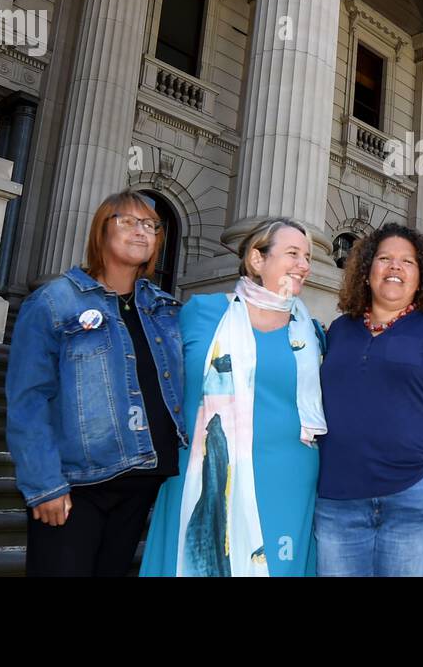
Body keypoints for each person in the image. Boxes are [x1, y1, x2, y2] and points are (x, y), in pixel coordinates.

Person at [6, 190, 186, 577]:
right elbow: (29, 398)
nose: (142, 232)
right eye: (128, 221)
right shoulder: (55, 301)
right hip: (78, 484)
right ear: (101, 230)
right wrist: (43, 483)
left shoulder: (164, 309)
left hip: (144, 482)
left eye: (151, 225)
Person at [139, 218, 326, 576]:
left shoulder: (312, 333)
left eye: (307, 257)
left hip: (287, 477)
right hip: (205, 468)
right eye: (292, 254)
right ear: (257, 260)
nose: (303, 265)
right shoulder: (202, 313)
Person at [315, 222, 423, 577]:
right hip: (337, 503)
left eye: (407, 262)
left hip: (415, 498)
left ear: (420, 278)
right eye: (384, 258)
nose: (395, 267)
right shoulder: (339, 331)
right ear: (366, 273)